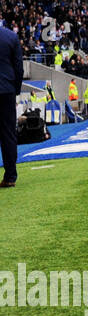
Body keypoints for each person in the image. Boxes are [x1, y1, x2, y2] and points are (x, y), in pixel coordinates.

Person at [0, 18, 21, 188]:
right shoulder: (11, 37)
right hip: (7, 90)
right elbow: (18, 67)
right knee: (8, 133)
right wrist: (17, 89)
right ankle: (10, 176)